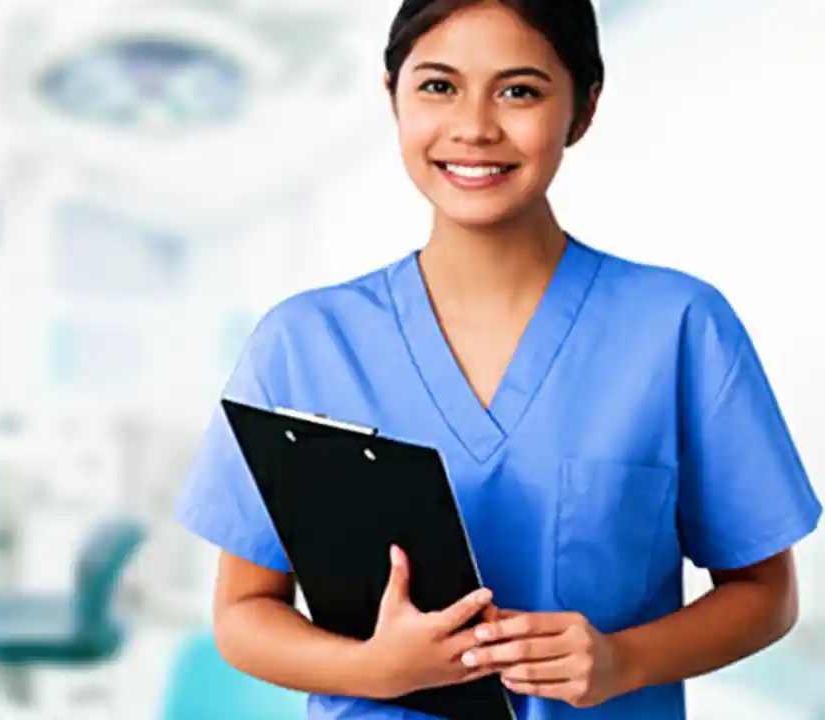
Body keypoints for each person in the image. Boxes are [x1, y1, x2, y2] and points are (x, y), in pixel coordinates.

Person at [172, 1, 822, 718]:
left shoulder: (678, 328)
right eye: (438, 86)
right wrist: (373, 670)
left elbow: (767, 594)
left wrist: (623, 661)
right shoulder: (303, 343)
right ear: (392, 98)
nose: (475, 127)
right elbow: (242, 612)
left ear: (583, 109)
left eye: (520, 90)